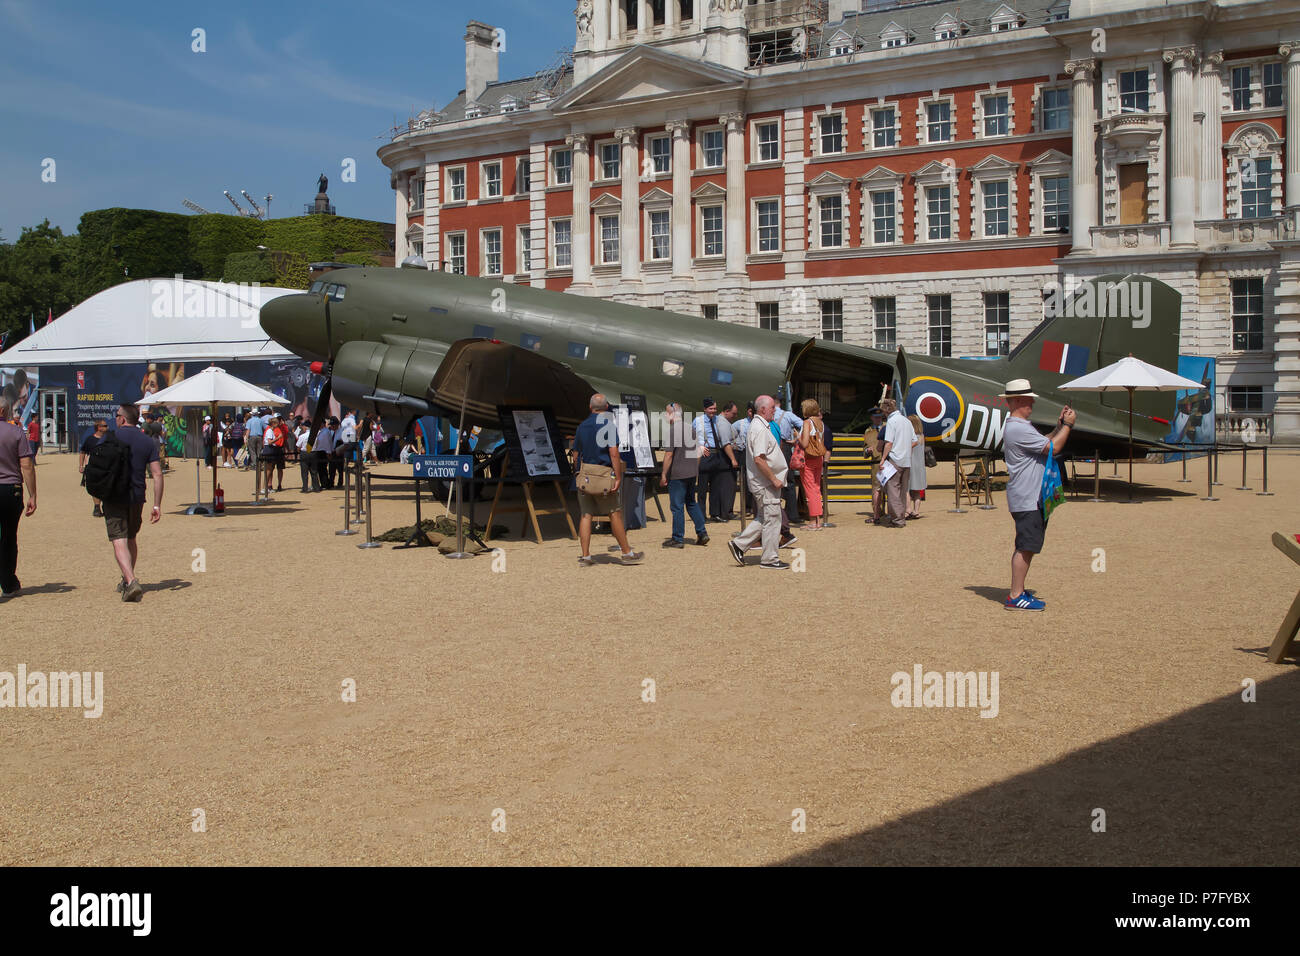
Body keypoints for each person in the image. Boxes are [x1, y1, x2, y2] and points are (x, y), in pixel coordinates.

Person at [1001, 378, 1075, 611]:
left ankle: (1019, 591)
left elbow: (1045, 442)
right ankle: (1015, 595)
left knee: (1028, 545)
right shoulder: (1018, 427)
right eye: (1029, 399)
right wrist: (1068, 426)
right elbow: (1054, 448)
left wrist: (1059, 425)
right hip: (1027, 497)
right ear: (1019, 400)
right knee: (1026, 546)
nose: (1032, 402)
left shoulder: (1019, 425)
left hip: (1028, 495)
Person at [570, 393, 643, 566]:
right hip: (604, 474)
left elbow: (575, 454)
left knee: (586, 515)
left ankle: (586, 556)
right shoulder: (608, 425)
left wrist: (577, 472)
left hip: (586, 475)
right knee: (614, 514)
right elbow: (614, 453)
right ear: (607, 407)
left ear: (590, 407)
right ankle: (627, 553)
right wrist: (618, 477)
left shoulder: (581, 426)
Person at [106, 403, 164, 602]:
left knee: (118, 539)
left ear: (122, 418)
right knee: (130, 537)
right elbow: (157, 474)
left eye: (117, 415)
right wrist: (157, 505)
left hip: (114, 494)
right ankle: (126, 578)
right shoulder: (147, 441)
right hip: (137, 495)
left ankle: (131, 581)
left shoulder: (112, 438)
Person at [728, 395, 788, 570]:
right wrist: (774, 479)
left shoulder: (759, 426)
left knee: (765, 517)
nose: (774, 410)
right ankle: (769, 559)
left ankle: (739, 544)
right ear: (762, 409)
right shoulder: (760, 429)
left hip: (763, 482)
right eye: (772, 408)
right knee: (772, 519)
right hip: (765, 483)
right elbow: (759, 459)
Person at [0, 393, 36, 597]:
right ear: (4, 411)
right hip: (10, 488)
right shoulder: (15, 432)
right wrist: (33, 494)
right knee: (8, 536)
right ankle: (8, 582)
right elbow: (27, 465)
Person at [660, 402, 709, 548]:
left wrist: (663, 474)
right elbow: (698, 451)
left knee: (677, 506)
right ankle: (702, 532)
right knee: (691, 503)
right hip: (691, 472)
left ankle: (677, 538)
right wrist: (695, 468)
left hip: (678, 473)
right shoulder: (691, 428)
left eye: (667, 413)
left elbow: (669, 455)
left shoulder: (673, 430)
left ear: (671, 414)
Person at [693, 398, 738, 522]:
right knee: (702, 487)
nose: (713, 411)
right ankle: (701, 515)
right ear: (705, 409)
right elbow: (691, 438)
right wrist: (699, 447)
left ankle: (715, 513)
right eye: (710, 409)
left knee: (716, 486)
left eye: (714, 409)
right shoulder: (698, 421)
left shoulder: (718, 420)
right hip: (705, 455)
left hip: (717, 455)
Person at [878, 398, 912, 529]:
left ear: (886, 411)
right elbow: (914, 440)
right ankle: (901, 515)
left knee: (892, 490)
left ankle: (897, 519)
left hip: (895, 459)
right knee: (903, 491)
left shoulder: (891, 422)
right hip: (906, 460)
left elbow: (889, 443)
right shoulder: (907, 421)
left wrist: (883, 459)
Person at [798, 399, 827, 530]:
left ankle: (813, 521)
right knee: (816, 487)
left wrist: (796, 436)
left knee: (810, 489)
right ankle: (818, 520)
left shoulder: (807, 422)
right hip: (819, 458)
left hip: (808, 459)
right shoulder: (820, 422)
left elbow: (804, 444)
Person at [774, 399, 803, 524]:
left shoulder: (765, 415)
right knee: (790, 481)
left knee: (770, 480)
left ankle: (774, 514)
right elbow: (803, 424)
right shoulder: (787, 415)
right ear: (780, 403)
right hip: (785, 447)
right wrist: (798, 439)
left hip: (770, 448)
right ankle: (792, 515)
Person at [79, 419, 110, 516]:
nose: (107, 427)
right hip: (93, 467)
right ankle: (97, 507)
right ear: (99, 427)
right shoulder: (90, 439)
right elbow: (83, 452)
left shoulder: (109, 439)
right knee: (95, 487)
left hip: (106, 467)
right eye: (104, 426)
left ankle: (106, 506)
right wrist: (81, 466)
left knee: (106, 487)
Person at [864, 406, 886, 525]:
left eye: (879, 417)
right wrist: (867, 451)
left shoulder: (887, 427)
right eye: (875, 417)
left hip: (889, 462)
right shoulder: (868, 432)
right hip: (876, 463)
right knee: (876, 488)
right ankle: (877, 513)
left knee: (890, 488)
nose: (878, 419)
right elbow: (864, 450)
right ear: (872, 418)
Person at [906, 413, 927, 519]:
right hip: (920, 467)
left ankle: (908, 509)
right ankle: (916, 511)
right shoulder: (922, 437)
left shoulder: (911, 437)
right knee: (917, 491)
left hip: (911, 465)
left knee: (906, 489)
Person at [296, 421, 320, 492]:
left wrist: (299, 451)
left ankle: (305, 488)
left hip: (304, 453)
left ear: (305, 427)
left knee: (304, 472)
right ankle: (316, 487)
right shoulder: (315, 435)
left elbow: (298, 447)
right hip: (313, 452)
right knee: (314, 471)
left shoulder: (302, 436)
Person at [316, 418, 337, 488]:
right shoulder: (321, 431)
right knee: (321, 469)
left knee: (323, 469)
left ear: (322, 424)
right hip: (320, 451)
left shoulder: (325, 432)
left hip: (323, 452)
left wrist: (328, 453)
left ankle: (325, 483)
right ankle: (324, 483)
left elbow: (327, 443)